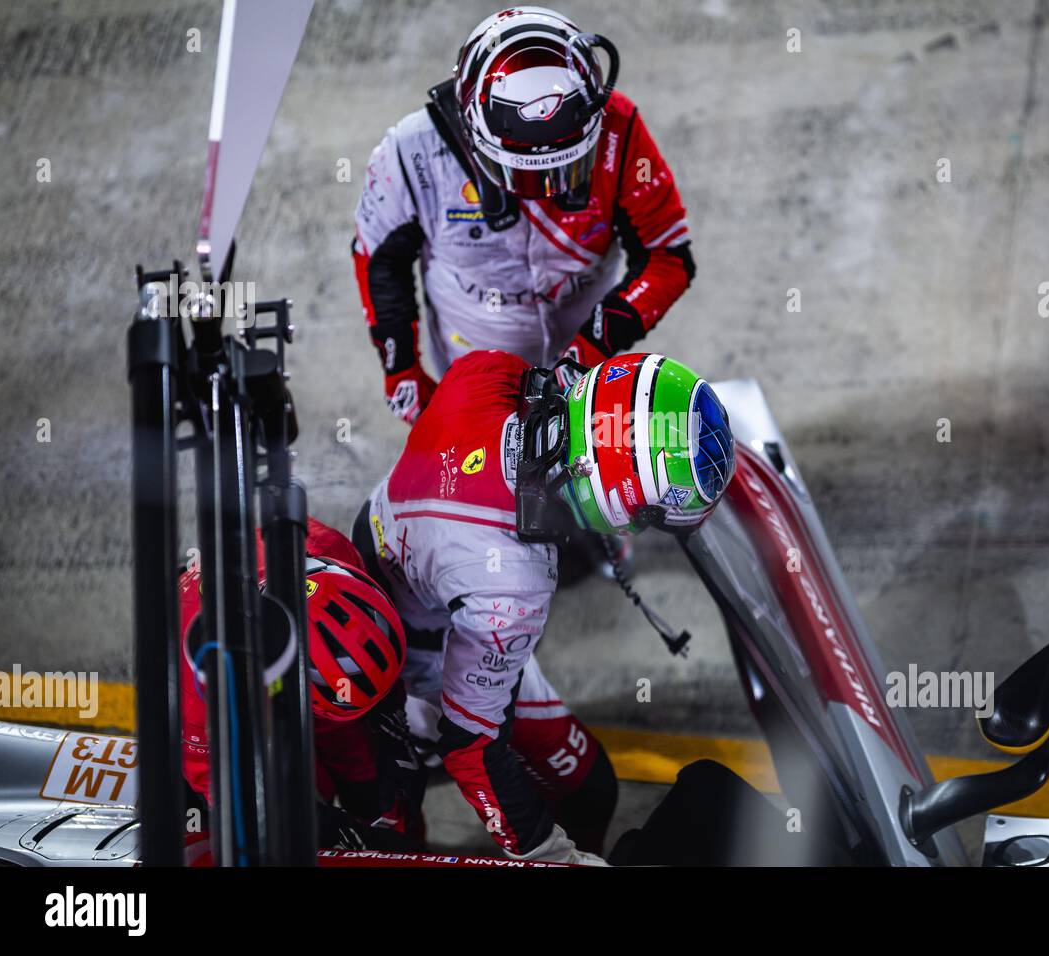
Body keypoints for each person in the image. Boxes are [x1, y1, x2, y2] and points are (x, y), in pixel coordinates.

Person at [352, 349, 737, 863]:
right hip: (404, 646)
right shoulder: (515, 585)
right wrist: (552, 855)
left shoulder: (482, 371)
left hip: (384, 551)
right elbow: (469, 745)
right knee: (400, 837)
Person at [351, 6, 695, 426]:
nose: (548, 190)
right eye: (526, 173)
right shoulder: (410, 151)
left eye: (565, 168)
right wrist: (401, 367)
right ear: (472, 129)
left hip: (588, 369)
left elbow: (668, 256)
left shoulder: (618, 127)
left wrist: (597, 342)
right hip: (471, 367)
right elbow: (379, 258)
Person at [178, 517, 422, 849]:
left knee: (379, 788)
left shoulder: (334, 549)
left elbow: (345, 663)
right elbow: (219, 786)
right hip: (209, 674)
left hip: (299, 674)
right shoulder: (201, 672)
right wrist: (313, 822)